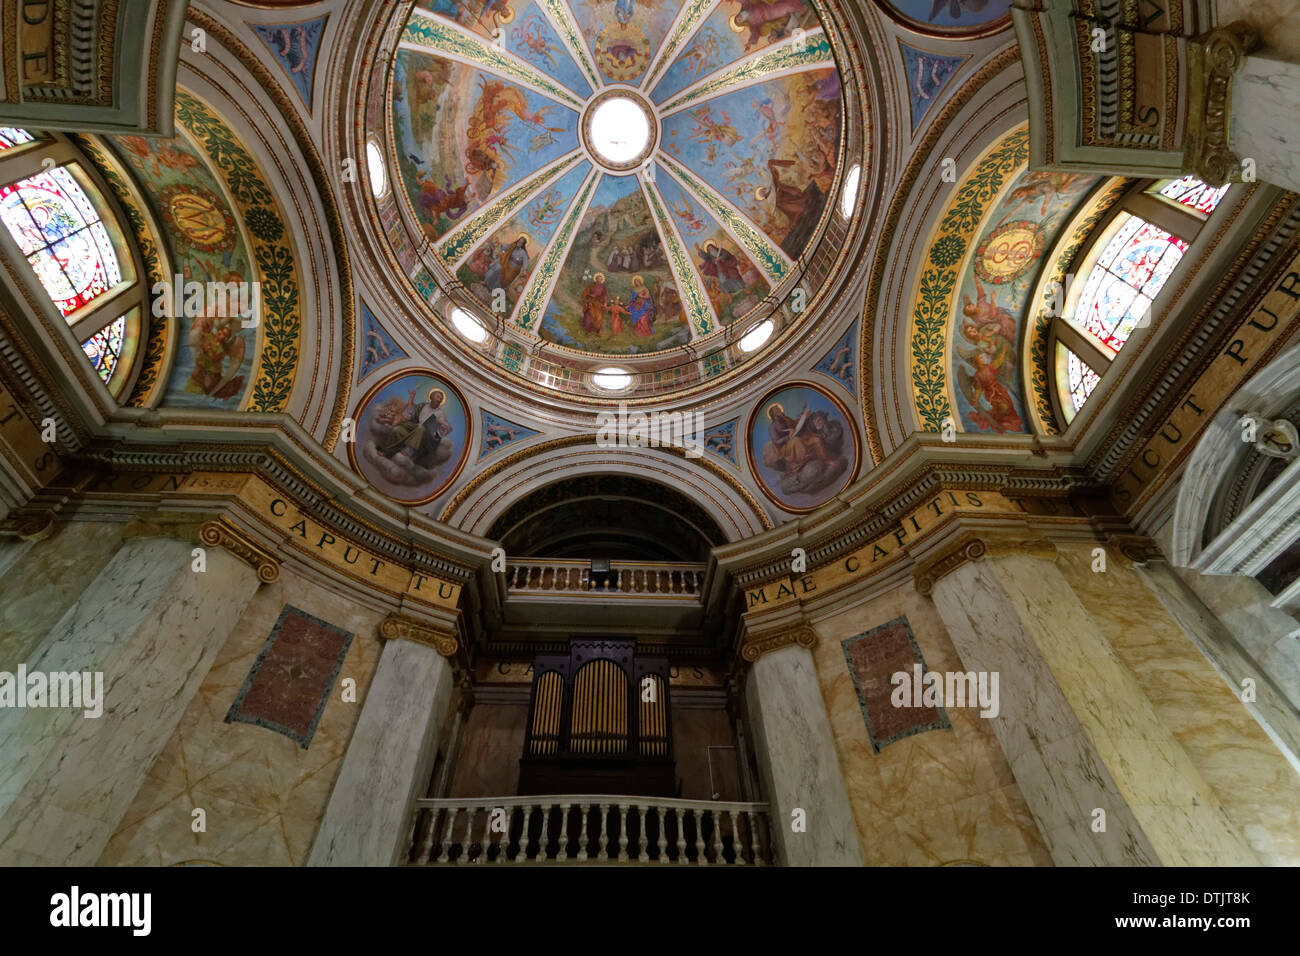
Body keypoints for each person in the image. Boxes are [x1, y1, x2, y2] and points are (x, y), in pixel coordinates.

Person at [380, 387, 453, 469]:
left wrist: (441, 423)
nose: (439, 400)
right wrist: (411, 398)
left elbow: (447, 428)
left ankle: (409, 450)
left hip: (427, 437)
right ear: (431, 397)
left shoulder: (440, 413)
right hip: (414, 428)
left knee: (421, 428)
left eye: (441, 399)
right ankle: (387, 452)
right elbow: (408, 415)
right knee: (397, 430)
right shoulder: (422, 405)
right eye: (438, 397)